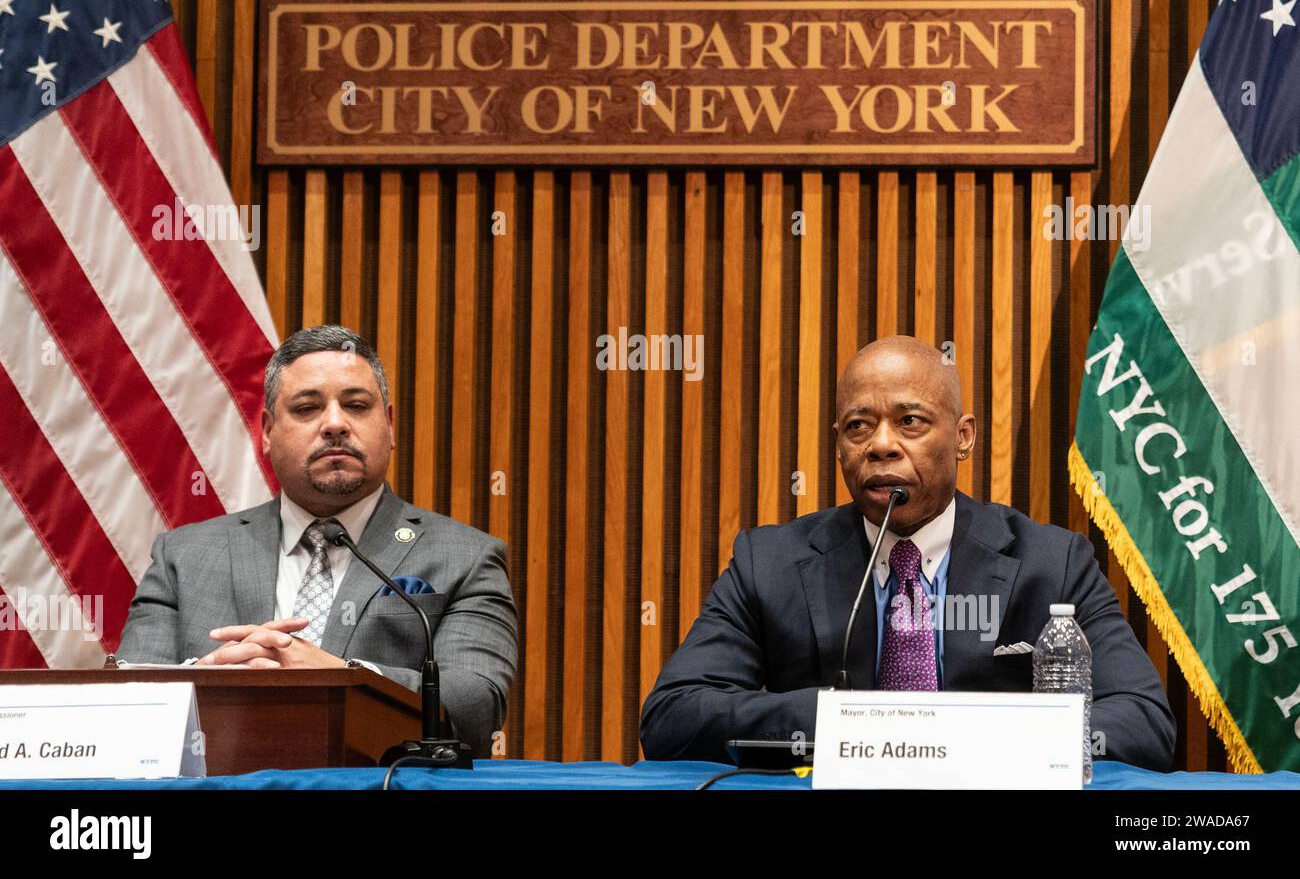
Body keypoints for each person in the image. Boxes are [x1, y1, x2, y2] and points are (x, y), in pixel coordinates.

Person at [640, 336, 1176, 770]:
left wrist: (954, 736)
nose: (880, 444)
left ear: (963, 437)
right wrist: (853, 724)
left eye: (910, 421)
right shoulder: (769, 561)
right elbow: (672, 715)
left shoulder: (1051, 563)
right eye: (858, 425)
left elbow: (1143, 721)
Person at [116, 325, 517, 757]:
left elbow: (475, 705)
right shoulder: (183, 556)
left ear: (390, 425)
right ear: (267, 432)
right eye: (307, 408)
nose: (335, 424)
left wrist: (345, 676)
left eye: (357, 405)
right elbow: (124, 702)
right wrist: (211, 674)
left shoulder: (467, 558)